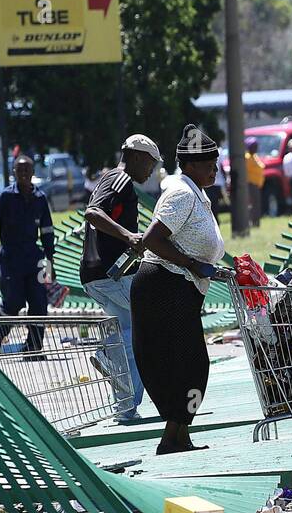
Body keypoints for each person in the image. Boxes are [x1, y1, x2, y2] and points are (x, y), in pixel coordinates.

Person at [131, 124, 226, 455]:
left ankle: (178, 436)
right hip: (163, 286)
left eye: (215, 162)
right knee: (190, 364)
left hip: (179, 287)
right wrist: (190, 263)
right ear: (191, 165)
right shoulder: (182, 194)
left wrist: (209, 266)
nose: (215, 169)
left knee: (189, 365)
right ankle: (172, 436)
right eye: (209, 163)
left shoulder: (197, 193)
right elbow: (152, 240)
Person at [80, 134, 161, 425]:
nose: (151, 170)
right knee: (145, 328)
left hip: (99, 275)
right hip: (109, 274)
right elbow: (93, 212)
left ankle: (126, 408)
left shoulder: (116, 180)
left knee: (129, 335)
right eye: (150, 163)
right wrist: (128, 236)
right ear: (137, 156)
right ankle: (105, 353)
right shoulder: (119, 179)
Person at [0, 154, 56, 355]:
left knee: (39, 303)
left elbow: (47, 232)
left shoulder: (40, 198)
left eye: (26, 170)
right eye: (19, 170)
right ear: (14, 172)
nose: (23, 173)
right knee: (13, 302)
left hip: (35, 260)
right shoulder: (4, 197)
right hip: (10, 259)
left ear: (32, 172)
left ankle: (34, 347)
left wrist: (50, 264)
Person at [243, 135, 265, 227]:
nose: (256, 148)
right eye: (253, 146)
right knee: (251, 205)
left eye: (256, 146)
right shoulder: (247, 157)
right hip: (250, 184)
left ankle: (256, 223)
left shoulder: (255, 156)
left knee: (256, 205)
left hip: (256, 184)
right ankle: (251, 223)